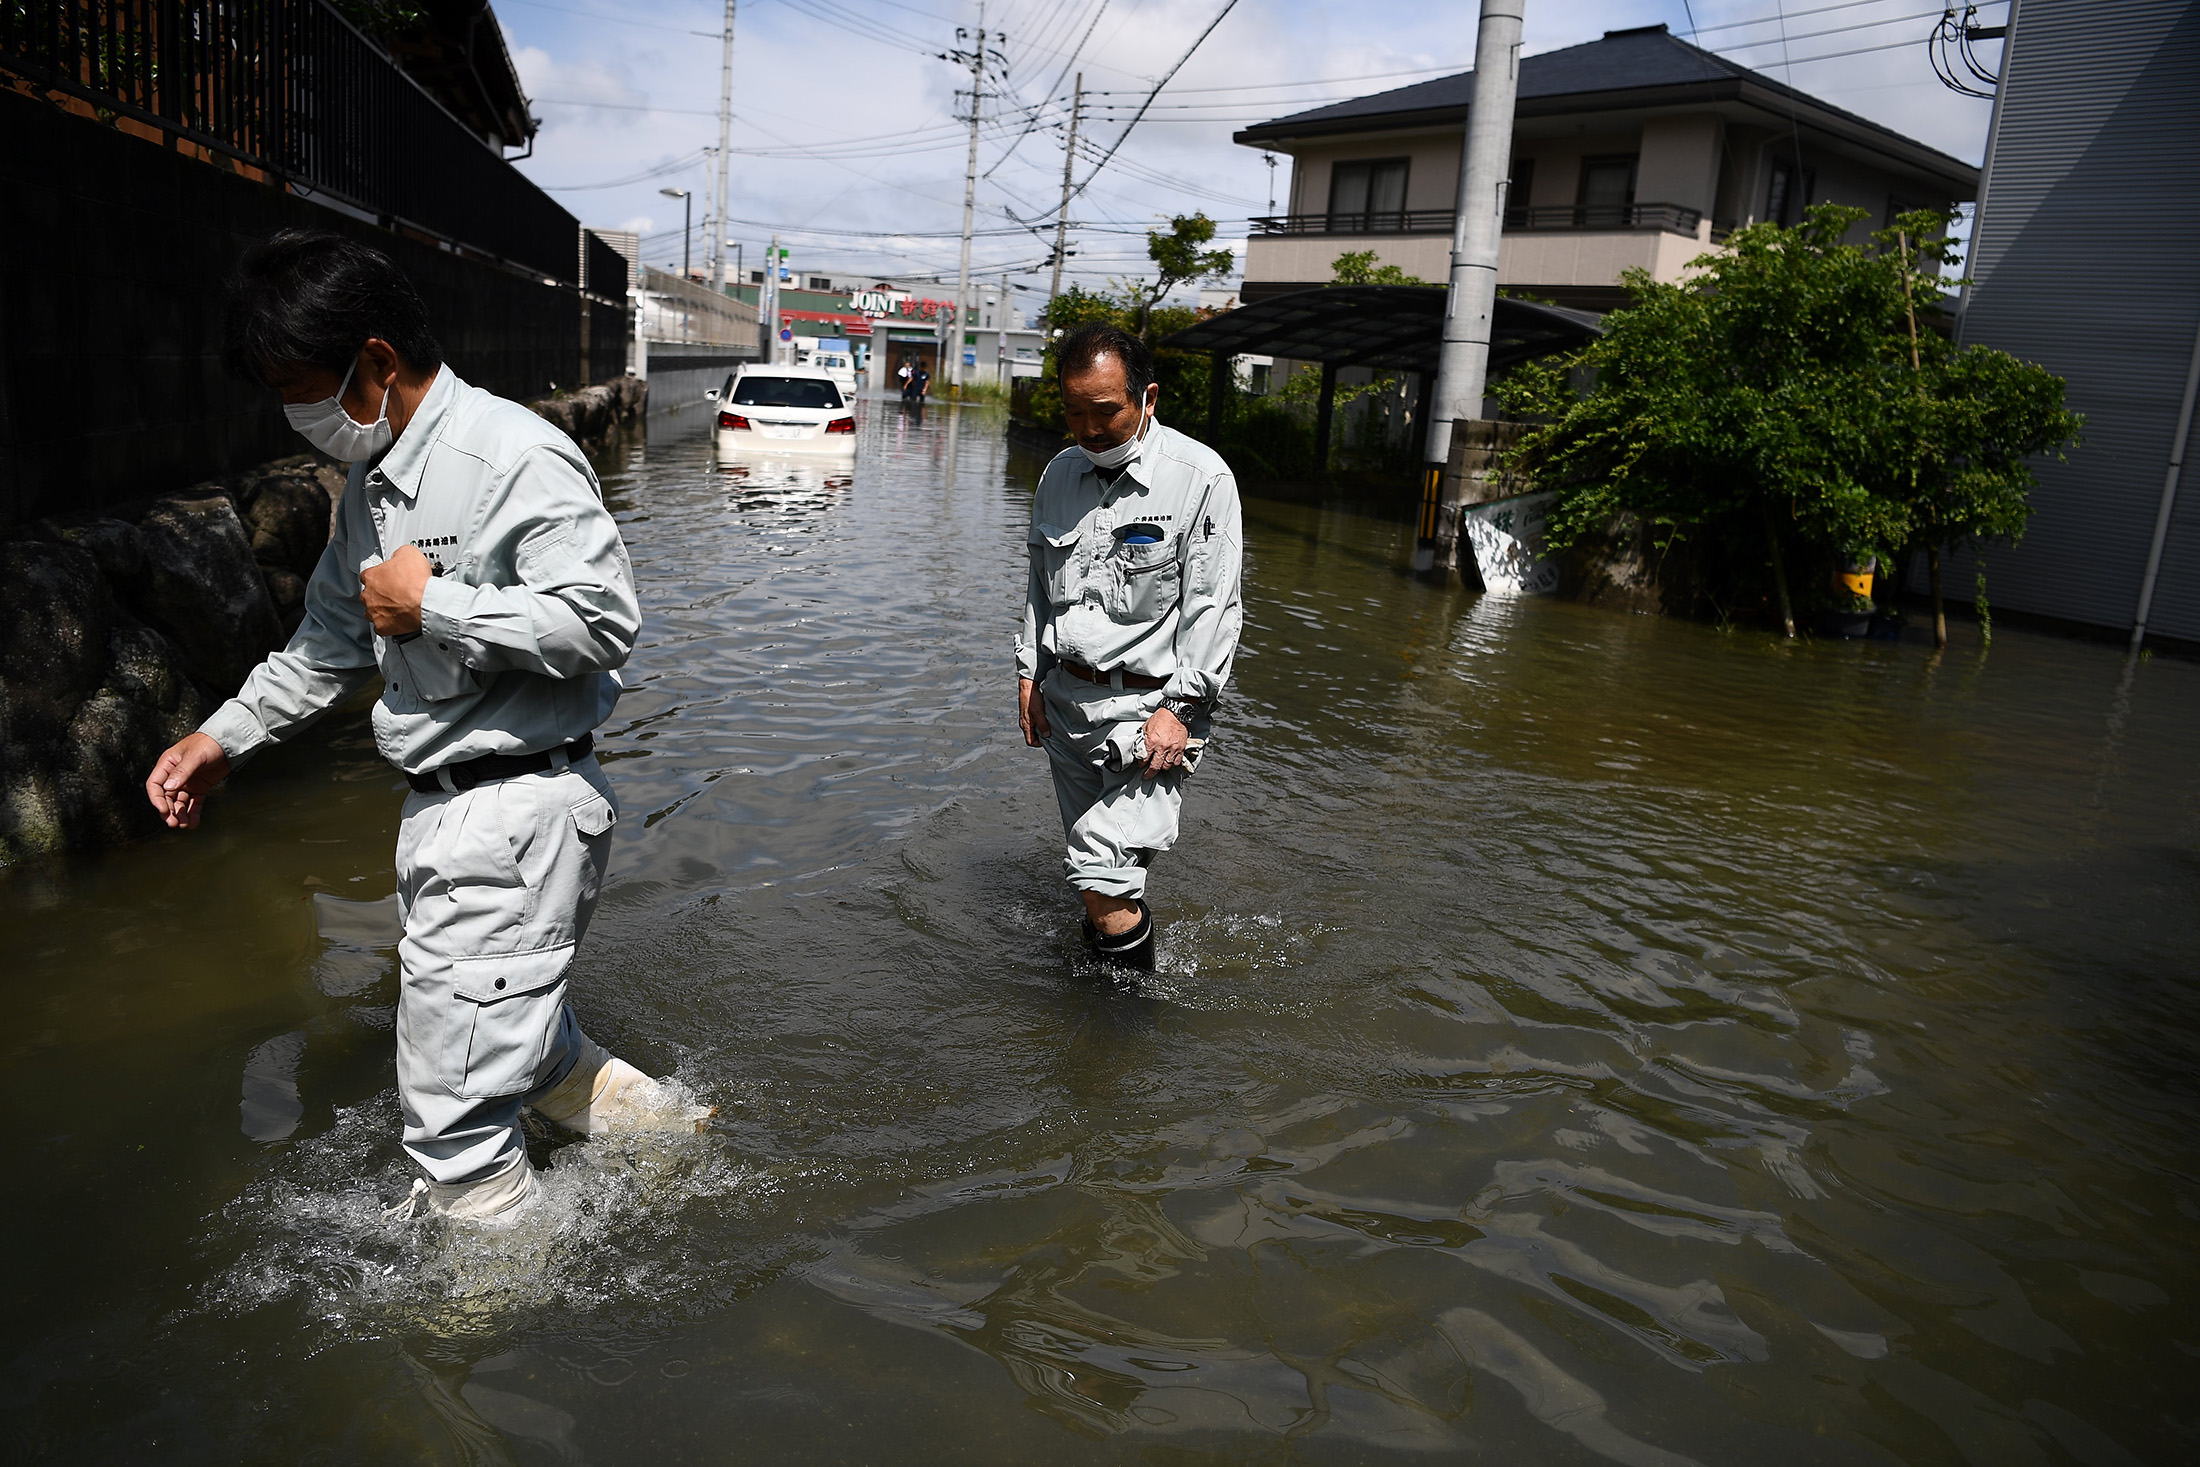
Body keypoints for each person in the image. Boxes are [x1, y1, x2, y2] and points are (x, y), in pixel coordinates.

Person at [143, 230, 693, 1224]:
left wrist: (437, 606)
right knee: (526, 1051)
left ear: (377, 363)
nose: (294, 414)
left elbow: (605, 619)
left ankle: (490, 1337)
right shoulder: (376, 484)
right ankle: (672, 1142)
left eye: (301, 386)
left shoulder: (512, 456)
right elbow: (328, 642)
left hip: (515, 811)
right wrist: (221, 738)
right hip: (454, 812)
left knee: (453, 1134)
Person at [1015, 322, 1244, 969]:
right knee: (1100, 879)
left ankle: (1127, 1022)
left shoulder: (1200, 478)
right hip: (1065, 708)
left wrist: (1184, 708)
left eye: (1105, 411)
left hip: (1151, 718)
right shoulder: (1058, 475)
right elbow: (1037, 587)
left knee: (1094, 864)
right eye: (1074, 412)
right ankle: (1107, 984)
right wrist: (1029, 675)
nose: (1088, 429)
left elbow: (1215, 608)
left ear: (1148, 398)